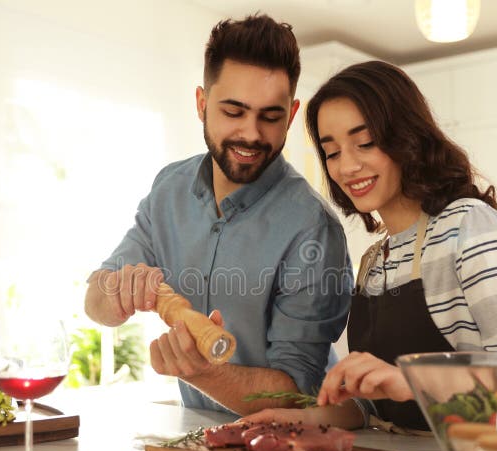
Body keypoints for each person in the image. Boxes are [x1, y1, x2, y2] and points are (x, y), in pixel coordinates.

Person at [243, 60, 497, 431]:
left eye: (365, 143)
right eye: (333, 152)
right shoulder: (374, 260)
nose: (347, 167)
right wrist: (298, 419)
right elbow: (377, 408)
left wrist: (415, 381)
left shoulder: (467, 226)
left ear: (406, 136)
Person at [84, 14, 353, 415]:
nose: (251, 133)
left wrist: (202, 373)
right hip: (197, 434)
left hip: (286, 444)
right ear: (201, 103)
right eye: (233, 111)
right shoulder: (168, 190)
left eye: (270, 116)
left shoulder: (312, 229)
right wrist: (119, 294)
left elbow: (298, 391)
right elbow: (94, 298)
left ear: (292, 114)